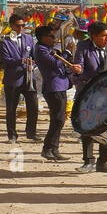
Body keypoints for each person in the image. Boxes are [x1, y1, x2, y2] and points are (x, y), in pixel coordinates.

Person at [72, 21, 107, 174]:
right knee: (87, 127)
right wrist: (77, 70)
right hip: (89, 95)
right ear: (93, 36)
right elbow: (79, 67)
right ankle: (88, 161)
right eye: (103, 36)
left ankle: (103, 161)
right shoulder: (83, 47)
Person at [34, 24, 79, 163]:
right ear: (43, 37)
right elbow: (55, 64)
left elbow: (61, 65)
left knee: (59, 119)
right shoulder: (41, 49)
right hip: (53, 87)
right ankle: (48, 148)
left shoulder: (49, 49)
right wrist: (67, 53)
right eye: (52, 37)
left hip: (61, 85)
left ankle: (54, 149)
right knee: (57, 119)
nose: (55, 39)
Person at [0, 12, 40, 144]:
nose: (21, 28)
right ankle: (12, 135)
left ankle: (31, 133)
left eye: (23, 25)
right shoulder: (4, 41)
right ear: (12, 26)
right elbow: (5, 60)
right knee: (11, 109)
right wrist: (22, 61)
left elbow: (34, 56)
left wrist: (33, 64)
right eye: (18, 26)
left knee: (33, 107)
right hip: (13, 79)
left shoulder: (29, 38)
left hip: (29, 78)